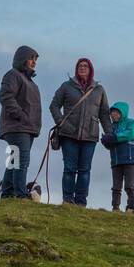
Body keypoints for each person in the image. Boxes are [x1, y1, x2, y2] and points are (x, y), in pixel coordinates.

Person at [49, 58, 111, 207]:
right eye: (80, 66)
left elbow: (104, 114)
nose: (82, 68)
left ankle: (81, 202)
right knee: (69, 169)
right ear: (76, 69)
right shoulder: (66, 86)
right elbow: (54, 106)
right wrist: (61, 122)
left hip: (90, 135)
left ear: (90, 69)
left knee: (85, 170)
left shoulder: (99, 90)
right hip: (68, 134)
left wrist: (109, 133)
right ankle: (68, 200)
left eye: (85, 66)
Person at [0, 46, 42, 199]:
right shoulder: (12, 75)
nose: (34, 62)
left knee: (13, 160)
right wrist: (20, 116)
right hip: (17, 126)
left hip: (27, 128)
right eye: (32, 58)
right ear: (23, 58)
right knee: (21, 161)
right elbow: (5, 96)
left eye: (35, 60)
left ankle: (7, 193)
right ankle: (21, 195)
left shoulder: (31, 83)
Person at [101, 102, 134, 213]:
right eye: (112, 112)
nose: (113, 115)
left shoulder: (131, 123)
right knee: (116, 187)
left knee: (129, 186)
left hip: (130, 160)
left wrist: (114, 137)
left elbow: (130, 134)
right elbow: (110, 144)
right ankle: (115, 208)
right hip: (116, 160)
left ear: (123, 113)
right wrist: (105, 141)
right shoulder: (111, 127)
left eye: (116, 112)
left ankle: (132, 208)